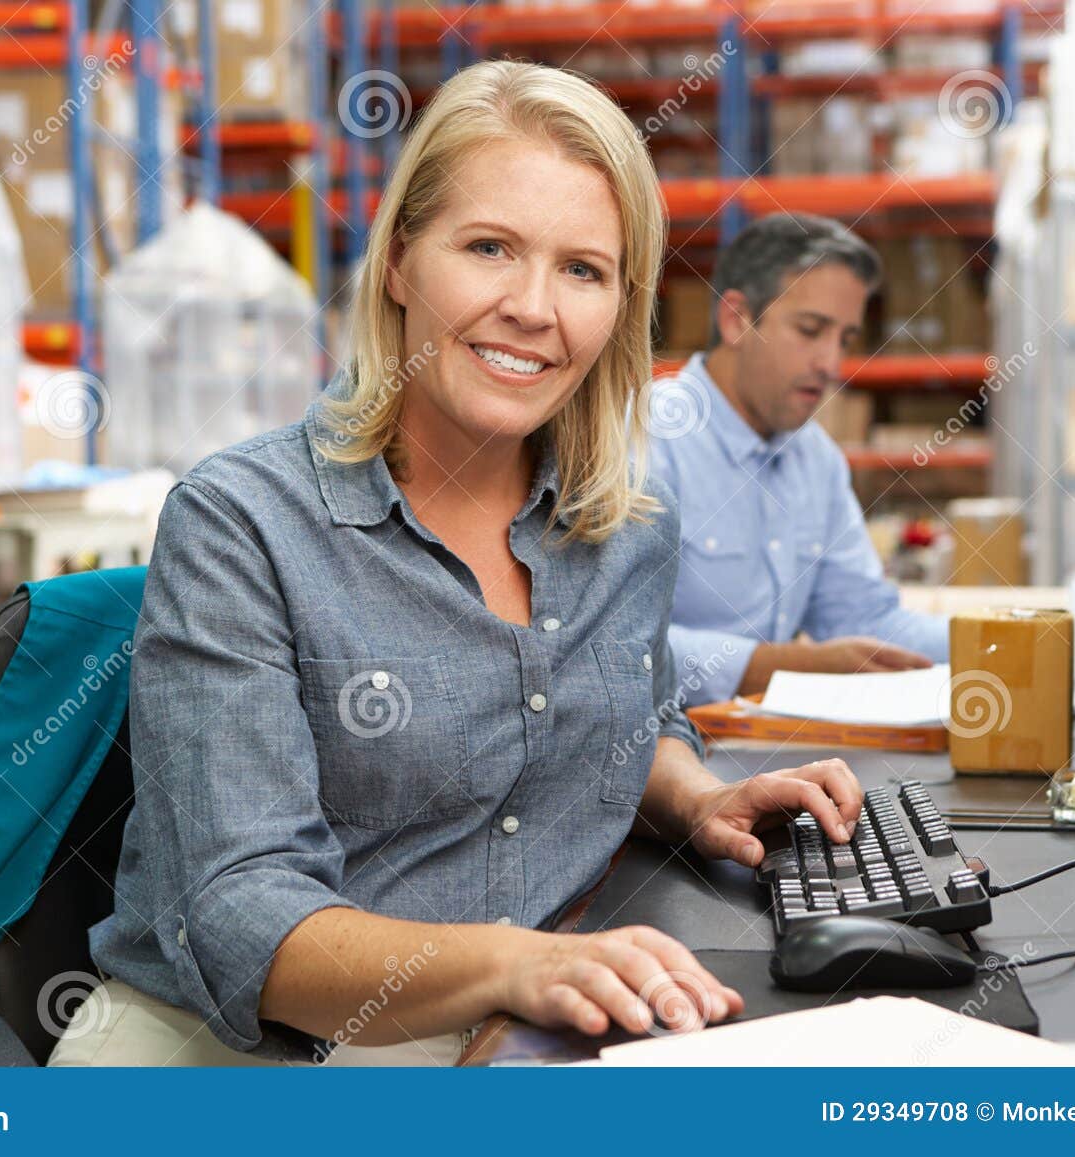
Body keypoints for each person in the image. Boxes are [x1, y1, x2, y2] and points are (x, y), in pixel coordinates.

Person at [48, 62, 862, 1067]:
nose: (532, 306)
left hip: (507, 1024)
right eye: (489, 248)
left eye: (582, 269)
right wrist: (513, 966)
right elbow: (244, 912)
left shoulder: (627, 525)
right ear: (398, 264)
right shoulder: (240, 523)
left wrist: (696, 798)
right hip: (234, 1051)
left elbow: (630, 712)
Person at [649, 213, 950, 707]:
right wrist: (784, 667)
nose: (831, 364)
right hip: (653, 757)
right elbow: (610, 645)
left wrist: (999, 644)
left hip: (761, 748)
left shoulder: (816, 461)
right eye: (811, 330)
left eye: (845, 340)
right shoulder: (647, 441)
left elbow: (864, 620)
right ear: (736, 320)